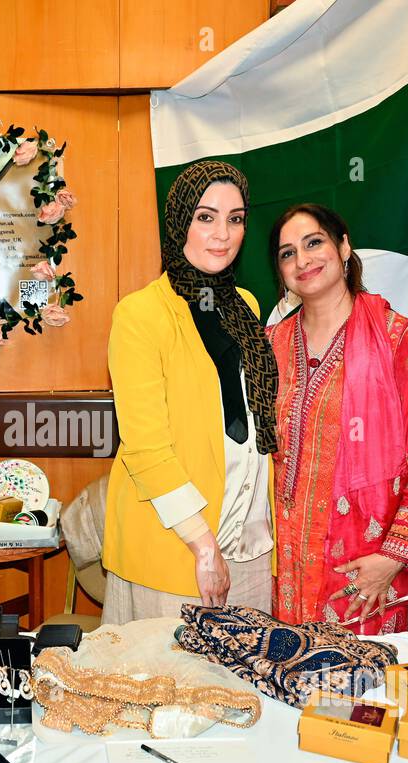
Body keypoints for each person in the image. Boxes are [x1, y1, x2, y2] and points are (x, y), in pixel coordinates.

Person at [101, 161, 281, 625]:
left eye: (235, 218)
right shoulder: (140, 314)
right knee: (170, 692)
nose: (222, 233)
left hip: (251, 543)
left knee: (244, 691)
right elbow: (145, 448)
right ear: (180, 220)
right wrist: (204, 548)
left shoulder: (246, 305)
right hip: (178, 546)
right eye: (206, 216)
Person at [266, 203, 408, 635]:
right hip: (283, 573)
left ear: (344, 247)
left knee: (360, 699)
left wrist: (393, 558)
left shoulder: (398, 339)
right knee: (287, 692)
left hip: (363, 573)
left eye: (314, 243)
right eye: (287, 253)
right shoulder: (270, 346)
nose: (303, 260)